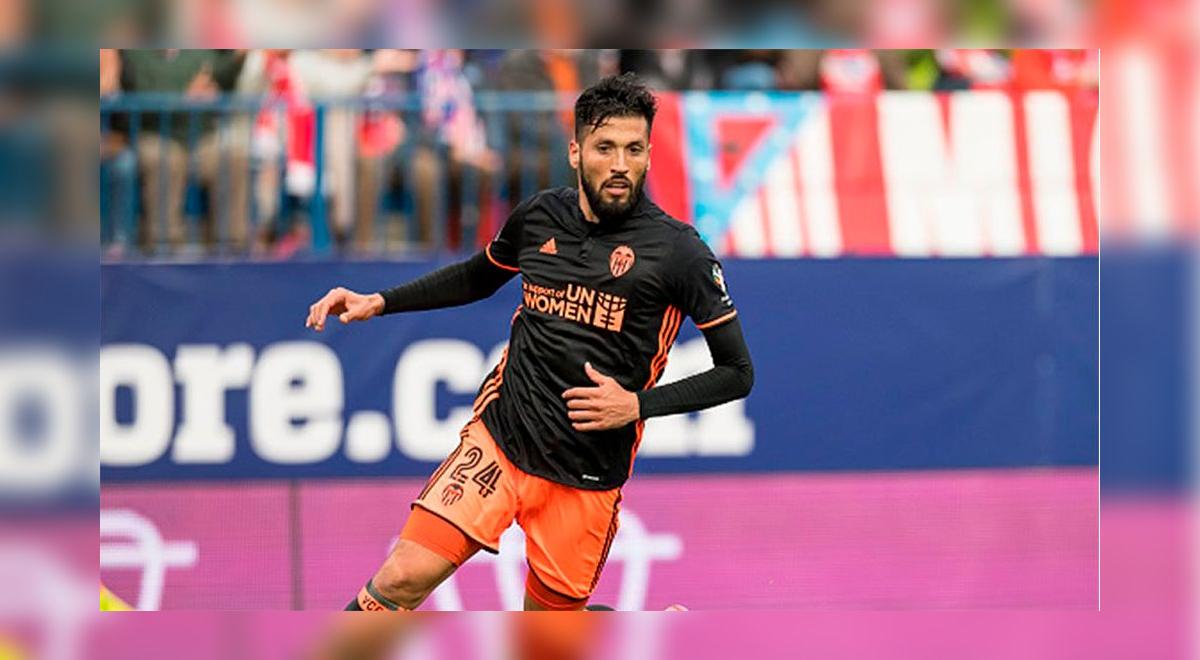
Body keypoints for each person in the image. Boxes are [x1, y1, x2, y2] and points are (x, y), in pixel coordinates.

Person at [305, 73, 753, 611]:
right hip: (502, 439)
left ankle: (636, 629)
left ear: (649, 156)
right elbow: (477, 276)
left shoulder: (681, 253)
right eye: (605, 147)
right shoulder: (540, 215)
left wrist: (637, 405)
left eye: (634, 150)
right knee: (401, 577)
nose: (619, 165)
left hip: (586, 473)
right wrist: (381, 300)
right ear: (575, 150)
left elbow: (737, 371)